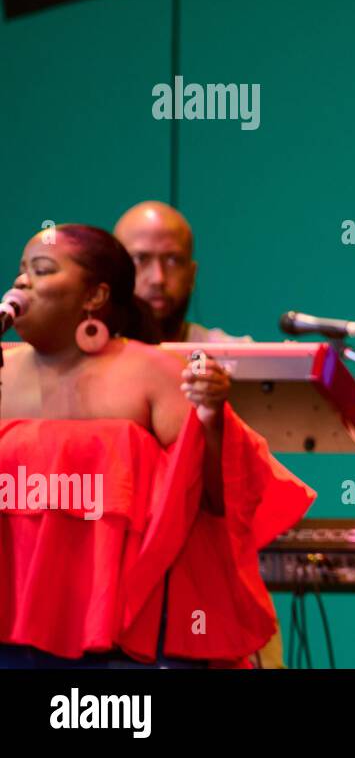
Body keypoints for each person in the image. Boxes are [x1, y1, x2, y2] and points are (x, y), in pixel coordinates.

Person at [0, 224, 315, 667]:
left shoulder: (151, 373)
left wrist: (210, 422)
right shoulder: (3, 371)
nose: (21, 282)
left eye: (42, 269)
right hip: (14, 629)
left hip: (132, 638)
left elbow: (216, 500)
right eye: (20, 271)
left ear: (94, 297)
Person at [113, 201, 250, 344]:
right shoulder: (91, 359)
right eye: (140, 259)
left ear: (192, 274)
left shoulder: (235, 359)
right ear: (115, 272)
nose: (158, 278)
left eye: (173, 260)